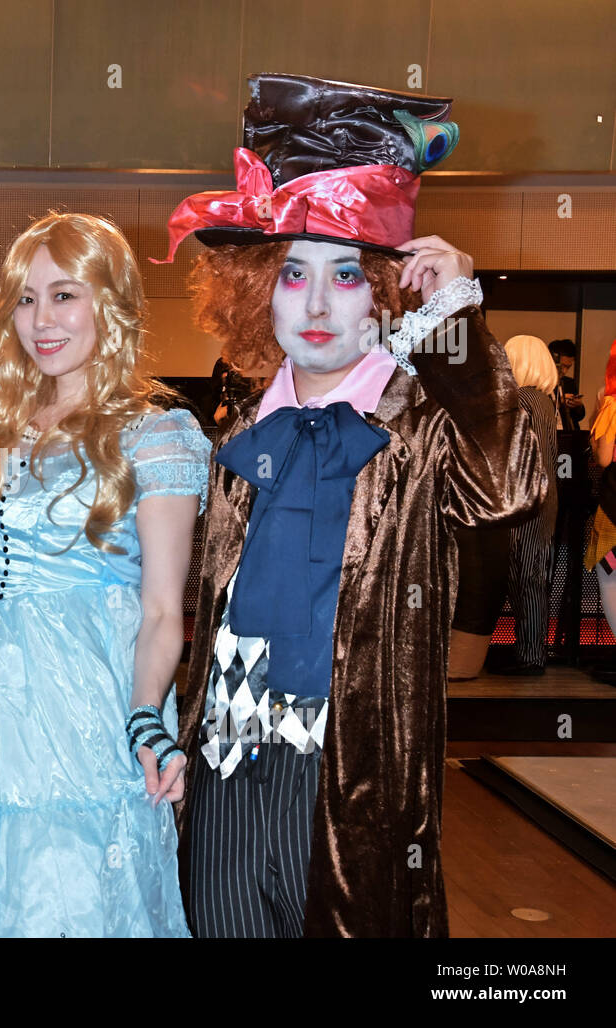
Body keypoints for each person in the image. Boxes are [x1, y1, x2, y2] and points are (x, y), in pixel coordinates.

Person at [158, 74, 544, 937]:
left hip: (348, 775)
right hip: (225, 755)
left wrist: (454, 322)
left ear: (385, 291)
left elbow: (509, 489)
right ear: (261, 290)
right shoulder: (243, 435)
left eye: (347, 274)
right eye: (293, 274)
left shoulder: (415, 424)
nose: (320, 302)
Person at [0, 212, 211, 937]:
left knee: (81, 897)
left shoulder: (156, 436)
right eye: (25, 300)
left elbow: (160, 612)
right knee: (0, 894)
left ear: (110, 302)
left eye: (64, 295)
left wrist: (146, 715)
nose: (40, 321)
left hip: (90, 699)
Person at [495, 336, 559, 674]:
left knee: (524, 578)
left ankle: (531, 656)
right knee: (532, 576)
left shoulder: (519, 399)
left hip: (524, 499)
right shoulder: (545, 401)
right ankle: (530, 651)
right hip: (545, 499)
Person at [584, 342, 616, 643]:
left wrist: (595, 439)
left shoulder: (613, 405)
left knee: (611, 576)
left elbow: (604, 459)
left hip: (615, 506)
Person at [549, 338, 585, 430]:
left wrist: (578, 406)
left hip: (568, 435)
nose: (564, 371)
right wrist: (559, 402)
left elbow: (578, 417)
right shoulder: (540, 383)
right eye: (562, 366)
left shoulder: (569, 382)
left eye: (568, 367)